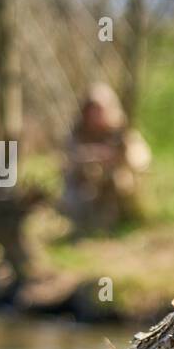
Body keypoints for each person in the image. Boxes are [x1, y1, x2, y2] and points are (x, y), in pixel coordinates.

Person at [61, 82, 151, 236]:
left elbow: (141, 161)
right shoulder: (78, 135)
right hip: (86, 190)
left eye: (100, 110)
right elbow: (67, 161)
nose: (96, 115)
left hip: (118, 188)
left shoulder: (123, 135)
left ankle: (122, 222)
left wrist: (119, 158)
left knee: (121, 181)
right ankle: (85, 227)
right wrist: (89, 158)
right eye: (92, 110)